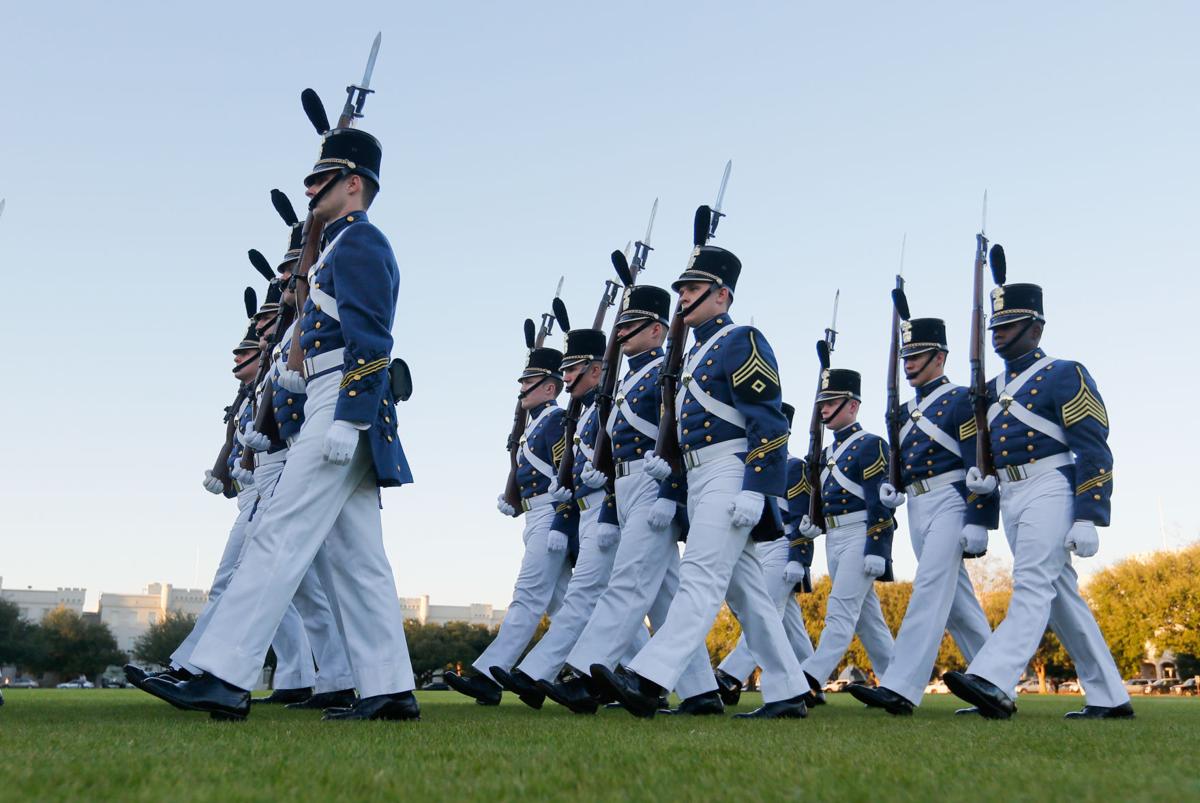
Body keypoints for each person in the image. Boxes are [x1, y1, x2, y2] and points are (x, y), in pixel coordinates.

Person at [143, 122, 418, 721]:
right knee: (357, 560)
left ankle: (223, 675)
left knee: (279, 532)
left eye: (322, 179)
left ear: (354, 184)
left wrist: (347, 416)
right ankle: (389, 688)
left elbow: (373, 338)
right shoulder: (335, 248)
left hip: (342, 402)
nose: (310, 189)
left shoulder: (361, 242)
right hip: (328, 394)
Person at [593, 245, 810, 719]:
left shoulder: (741, 339)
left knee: (700, 576)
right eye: (682, 289)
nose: (684, 297)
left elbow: (769, 421)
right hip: (698, 476)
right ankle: (789, 691)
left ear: (722, 295)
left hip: (731, 469)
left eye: (693, 289)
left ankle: (649, 679)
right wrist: (673, 488)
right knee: (746, 594)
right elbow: (678, 434)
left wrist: (757, 487)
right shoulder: (691, 355)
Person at [944, 282, 1132, 719]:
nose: (998, 334)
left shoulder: (1064, 373)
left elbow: (1093, 448)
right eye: (995, 326)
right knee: (1061, 596)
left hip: (1052, 486)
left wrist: (1089, 514)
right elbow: (983, 455)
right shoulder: (986, 391)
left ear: (1036, 328)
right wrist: (983, 490)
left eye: (1009, 325)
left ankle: (992, 678)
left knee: (1031, 582)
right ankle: (1109, 696)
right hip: (1012, 493)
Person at [547, 285, 712, 715]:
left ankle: (586, 676)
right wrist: (608, 504)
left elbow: (678, 436)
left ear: (657, 330)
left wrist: (670, 493)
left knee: (627, 580)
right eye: (619, 326)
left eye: (630, 326)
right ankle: (702, 691)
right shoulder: (626, 381)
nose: (620, 333)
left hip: (653, 483)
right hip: (625, 487)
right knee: (664, 594)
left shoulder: (665, 374)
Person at [848, 316, 994, 715]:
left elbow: (979, 463)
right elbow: (901, 464)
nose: (909, 364)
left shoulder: (961, 399)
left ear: (940, 357)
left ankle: (900, 685)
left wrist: (978, 517)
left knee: (929, 587)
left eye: (918, 356)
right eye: (906, 357)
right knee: (959, 605)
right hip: (917, 504)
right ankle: (996, 682)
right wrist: (892, 485)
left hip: (952, 498)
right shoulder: (901, 411)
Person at [444, 347, 571, 706]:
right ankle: (613, 670)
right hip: (533, 516)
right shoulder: (533, 426)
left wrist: (562, 518)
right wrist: (514, 500)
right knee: (567, 606)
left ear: (550, 387)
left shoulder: (556, 420)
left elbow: (565, 474)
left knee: (528, 597)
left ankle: (489, 674)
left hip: (550, 514)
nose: (522, 389)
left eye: (530, 382)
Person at [795, 369, 896, 699]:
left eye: (831, 402)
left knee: (840, 610)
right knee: (867, 620)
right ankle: (896, 682)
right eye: (822, 403)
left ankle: (808, 679)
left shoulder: (870, 445)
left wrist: (878, 547)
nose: (824, 409)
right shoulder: (825, 455)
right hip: (835, 538)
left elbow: (879, 502)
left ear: (852, 405)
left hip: (860, 534)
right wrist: (815, 524)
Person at [714, 403, 819, 706]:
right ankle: (809, 681)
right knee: (789, 624)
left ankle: (730, 675)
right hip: (760, 545)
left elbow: (803, 518)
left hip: (783, 546)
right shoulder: (751, 463)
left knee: (765, 612)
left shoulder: (794, 466)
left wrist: (799, 558)